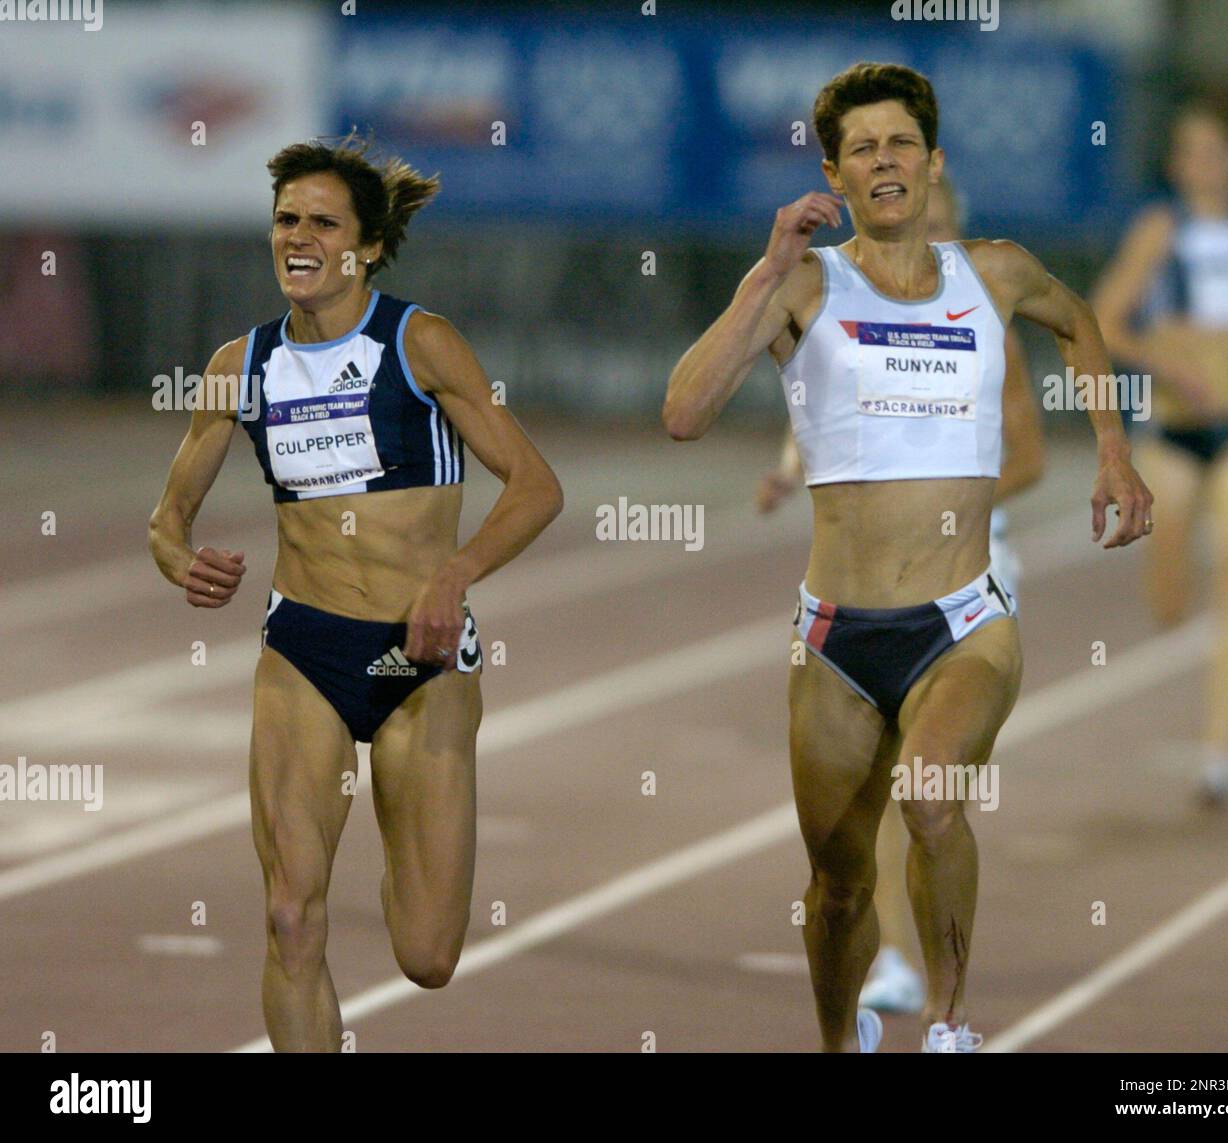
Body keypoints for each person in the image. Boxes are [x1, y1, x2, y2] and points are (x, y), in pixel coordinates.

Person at [664, 62, 1151, 1053]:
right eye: (859, 150)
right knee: (838, 886)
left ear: (931, 163)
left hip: (964, 619)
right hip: (835, 635)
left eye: (898, 144)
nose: (882, 161)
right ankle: (841, 1042)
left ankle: (949, 1022)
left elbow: (1080, 323)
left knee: (931, 800)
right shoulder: (805, 283)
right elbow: (682, 413)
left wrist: (1112, 450)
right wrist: (763, 273)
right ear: (835, 178)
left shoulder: (996, 272)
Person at [148, 134, 563, 1051]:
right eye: (286, 219)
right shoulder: (239, 365)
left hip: (420, 659)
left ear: (367, 245)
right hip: (304, 650)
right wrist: (178, 556)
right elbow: (166, 516)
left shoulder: (420, 344)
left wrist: (454, 575)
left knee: (428, 953)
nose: (298, 236)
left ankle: (404, 852)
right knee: (292, 916)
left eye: (322, 222)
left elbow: (537, 486)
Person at [755, 173, 1045, 1016]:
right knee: (874, 799)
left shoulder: (985, 311)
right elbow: (828, 404)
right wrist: (788, 470)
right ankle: (882, 957)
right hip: (861, 587)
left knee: (927, 785)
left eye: (944, 223)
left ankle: (940, 998)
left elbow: (1025, 456)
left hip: (965, 585)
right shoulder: (847, 303)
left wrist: (943, 498)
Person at [1092, 103, 1228, 805]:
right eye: (1188, 150)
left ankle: (1218, 755)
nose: (1200, 162)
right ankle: (1171, 598)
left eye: (1215, 148)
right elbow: (1105, 318)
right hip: (1175, 435)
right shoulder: (1161, 230)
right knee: (1172, 597)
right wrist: (1166, 364)